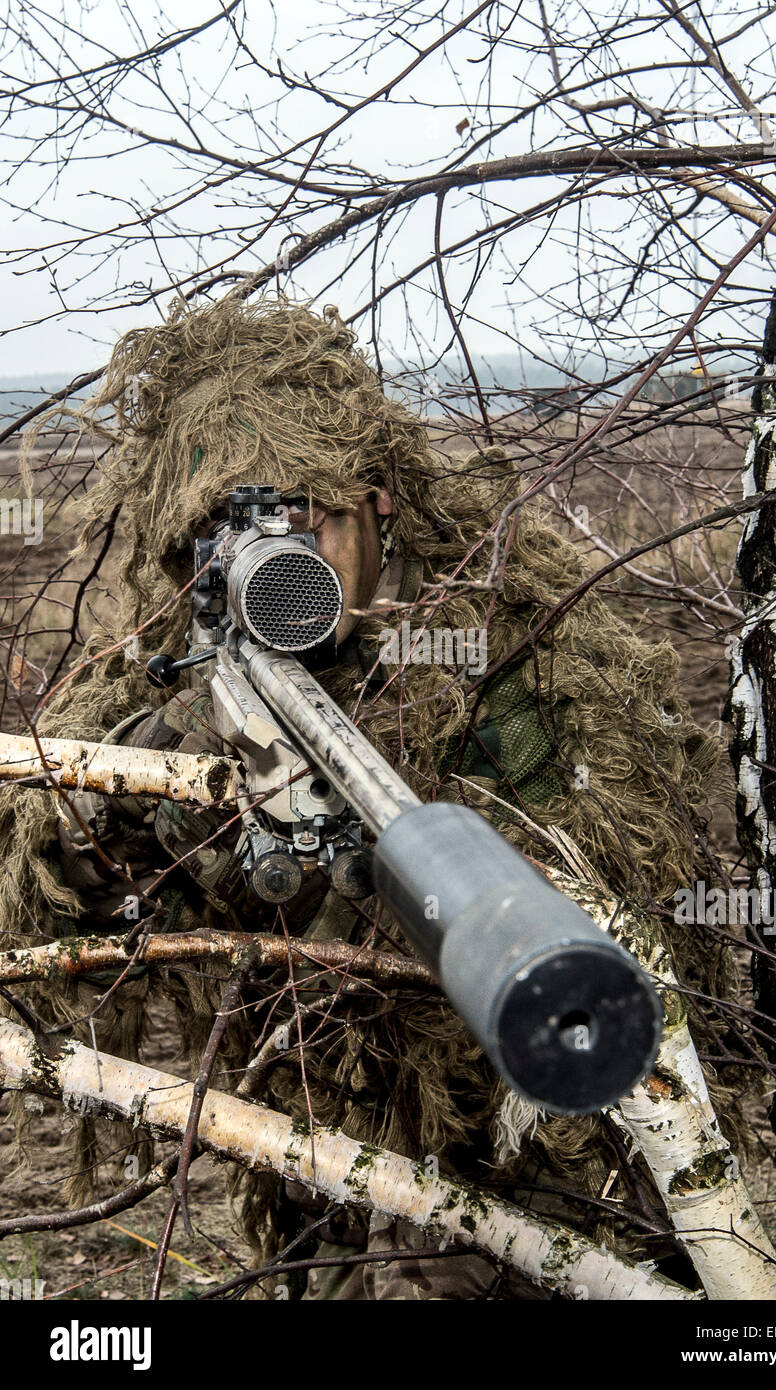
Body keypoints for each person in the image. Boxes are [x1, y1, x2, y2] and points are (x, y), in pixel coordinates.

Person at [0, 296, 724, 1298]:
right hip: (305, 1094)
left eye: (307, 515)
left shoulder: (503, 631)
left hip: (519, 1096)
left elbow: (600, 880)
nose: (273, 557)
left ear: (379, 501)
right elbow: (54, 877)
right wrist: (141, 810)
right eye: (226, 532)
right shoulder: (174, 662)